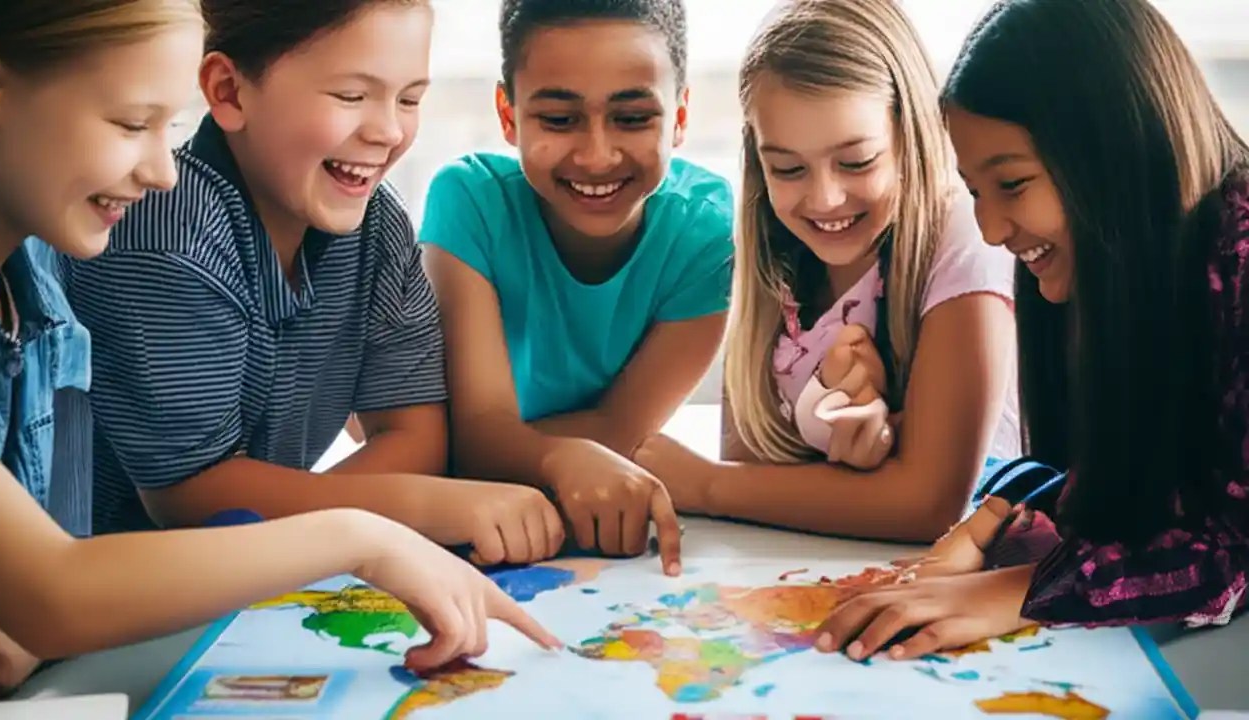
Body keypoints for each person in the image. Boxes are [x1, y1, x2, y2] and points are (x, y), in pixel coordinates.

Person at [0, 0, 557, 697]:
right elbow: (61, 587)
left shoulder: (37, 288)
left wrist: (38, 626)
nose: (163, 171)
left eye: (170, 126)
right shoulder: (150, 237)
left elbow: (49, 580)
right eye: (132, 124)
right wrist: (362, 534)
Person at [62, 0, 567, 568]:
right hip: (126, 596)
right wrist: (415, 508)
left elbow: (415, 432)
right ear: (228, 91)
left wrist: (347, 517)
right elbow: (191, 497)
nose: (389, 131)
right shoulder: (165, 238)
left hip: (256, 584)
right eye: (351, 96)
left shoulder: (376, 224)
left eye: (409, 99)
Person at [816, 0, 1249, 662]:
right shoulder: (1111, 268)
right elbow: (1132, 492)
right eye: (976, 192)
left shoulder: (1238, 259)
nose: (990, 229)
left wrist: (1019, 590)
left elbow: (1236, 546)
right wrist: (996, 514)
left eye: (1012, 184)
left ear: (1114, 152)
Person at [634, 0, 1019, 543]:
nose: (825, 198)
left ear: (910, 134)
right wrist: (831, 428)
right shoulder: (776, 251)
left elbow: (930, 503)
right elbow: (751, 457)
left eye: (857, 161)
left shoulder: (962, 237)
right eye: (788, 169)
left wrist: (705, 486)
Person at [421, 0, 728, 574]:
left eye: (633, 118)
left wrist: (511, 451)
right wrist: (555, 455)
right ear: (508, 115)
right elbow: (473, 436)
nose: (596, 155)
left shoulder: (706, 229)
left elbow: (620, 429)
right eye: (559, 120)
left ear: (680, 116)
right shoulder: (469, 200)